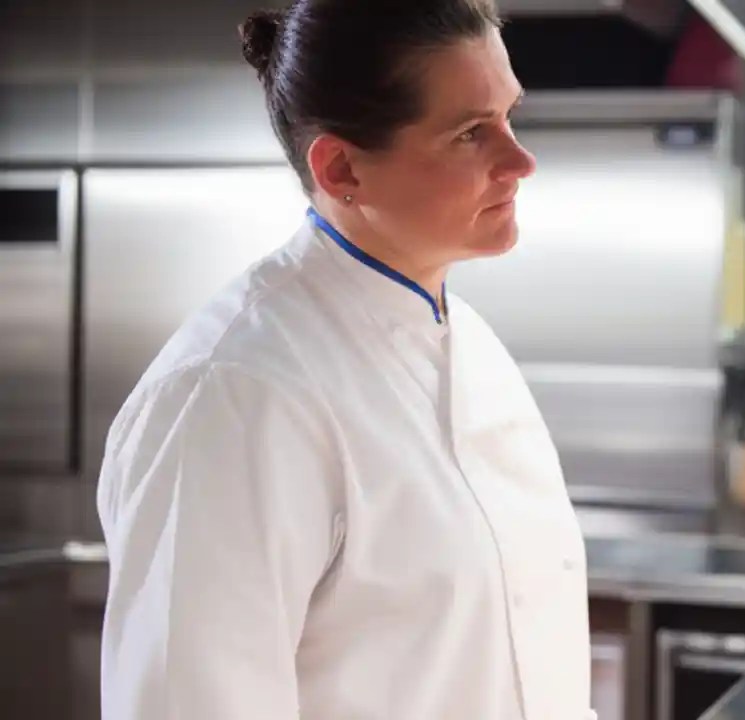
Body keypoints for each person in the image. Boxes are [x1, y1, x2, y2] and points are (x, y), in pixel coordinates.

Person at [95, 1, 594, 718]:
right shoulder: (232, 394)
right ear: (341, 169)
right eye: (470, 133)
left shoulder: (474, 347)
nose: (520, 161)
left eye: (510, 116)